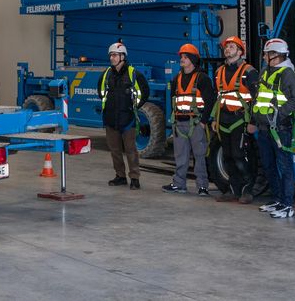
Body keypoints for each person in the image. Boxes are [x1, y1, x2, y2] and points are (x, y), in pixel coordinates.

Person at [250, 38, 295, 218]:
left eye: (267, 54)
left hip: (279, 129)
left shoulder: (287, 74)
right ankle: (277, 199)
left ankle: (287, 204)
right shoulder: (265, 71)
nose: (264, 57)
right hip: (264, 128)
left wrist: (278, 115)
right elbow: (258, 98)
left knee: (284, 166)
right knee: (269, 165)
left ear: (276, 55)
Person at [163, 44, 216, 196]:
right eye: (181, 57)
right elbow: (173, 100)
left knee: (200, 156)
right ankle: (179, 184)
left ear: (192, 60)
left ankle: (202, 186)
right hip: (180, 123)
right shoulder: (176, 79)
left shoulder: (202, 78)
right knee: (180, 156)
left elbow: (210, 101)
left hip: (196, 123)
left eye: (185, 57)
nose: (182, 59)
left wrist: (203, 121)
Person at [210, 36, 258, 204]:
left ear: (240, 51)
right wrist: (214, 119)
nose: (227, 49)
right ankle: (233, 190)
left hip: (240, 119)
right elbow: (219, 97)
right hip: (223, 120)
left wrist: (253, 121)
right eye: (227, 46)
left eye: (231, 46)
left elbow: (256, 99)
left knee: (239, 156)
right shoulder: (219, 72)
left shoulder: (249, 71)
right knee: (228, 156)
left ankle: (247, 190)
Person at [99, 42, 150, 189]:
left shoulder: (134, 74)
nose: (112, 58)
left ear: (122, 56)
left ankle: (134, 178)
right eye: (111, 55)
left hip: (128, 120)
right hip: (110, 120)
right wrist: (107, 109)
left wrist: (133, 106)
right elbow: (101, 93)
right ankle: (120, 176)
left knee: (130, 150)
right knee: (115, 150)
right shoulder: (106, 74)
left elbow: (144, 92)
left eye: (115, 55)